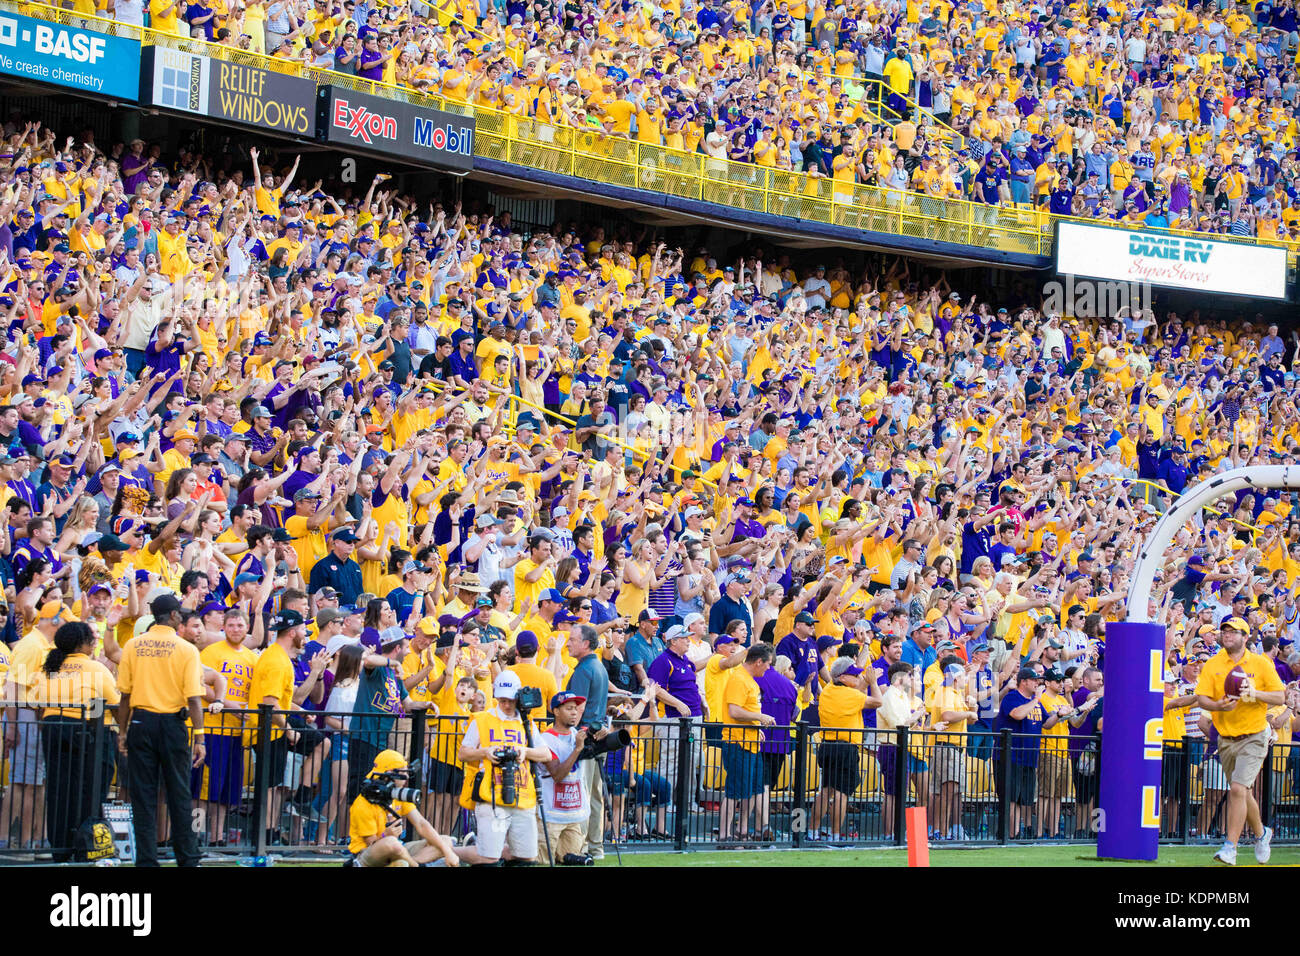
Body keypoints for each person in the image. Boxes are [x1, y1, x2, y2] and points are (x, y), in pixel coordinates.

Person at [115, 593, 206, 867]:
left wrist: (122, 732)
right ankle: (188, 858)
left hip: (141, 722)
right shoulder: (186, 649)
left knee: (142, 795)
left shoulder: (133, 645)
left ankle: (146, 860)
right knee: (179, 792)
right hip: (172, 724)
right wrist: (200, 737)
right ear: (175, 616)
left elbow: (125, 696)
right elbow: (193, 698)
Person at [1195, 617, 1286, 865]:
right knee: (1243, 792)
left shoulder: (1261, 663)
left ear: (1246, 637)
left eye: (1234, 631)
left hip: (1255, 735)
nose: (1227, 634)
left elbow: (1280, 697)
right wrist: (1217, 706)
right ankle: (1262, 833)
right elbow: (1202, 698)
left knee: (1236, 789)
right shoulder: (1213, 664)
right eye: (1225, 630)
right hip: (1225, 737)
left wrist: (1253, 693)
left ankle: (1230, 847)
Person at [31, 621, 118, 862]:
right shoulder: (95, 668)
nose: (94, 642)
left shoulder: (49, 668)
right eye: (91, 638)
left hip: (52, 729)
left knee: (59, 790)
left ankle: (60, 847)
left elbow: (36, 701)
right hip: (89, 731)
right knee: (92, 789)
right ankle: (87, 845)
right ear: (83, 643)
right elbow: (115, 700)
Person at [456, 671, 553, 865]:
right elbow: (463, 754)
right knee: (488, 857)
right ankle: (448, 851)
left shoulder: (527, 722)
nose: (507, 705)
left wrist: (524, 751)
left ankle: (447, 850)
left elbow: (546, 754)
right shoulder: (481, 719)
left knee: (526, 857)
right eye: (502, 700)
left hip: (522, 794)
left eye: (510, 700)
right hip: (490, 794)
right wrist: (485, 752)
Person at [345, 749, 461, 867]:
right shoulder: (363, 803)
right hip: (368, 852)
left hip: (398, 848)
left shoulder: (398, 794)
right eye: (403, 773)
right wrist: (385, 835)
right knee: (391, 843)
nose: (406, 777)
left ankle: (408, 863)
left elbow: (421, 823)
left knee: (446, 841)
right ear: (389, 774)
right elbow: (371, 843)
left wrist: (448, 853)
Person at [719, 643, 775, 847]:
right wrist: (760, 717)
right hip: (737, 742)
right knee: (735, 791)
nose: (768, 668)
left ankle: (742, 833)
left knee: (751, 790)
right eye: (768, 664)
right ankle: (725, 836)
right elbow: (734, 711)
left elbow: (743, 711)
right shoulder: (738, 679)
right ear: (758, 662)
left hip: (750, 742)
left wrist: (755, 725)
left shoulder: (748, 680)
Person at [563, 623, 609, 860]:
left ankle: (579, 847)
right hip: (597, 736)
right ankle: (596, 847)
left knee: (582, 795)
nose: (568, 643)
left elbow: (576, 709)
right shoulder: (598, 667)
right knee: (594, 796)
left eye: (572, 639)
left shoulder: (583, 670)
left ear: (586, 644)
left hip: (584, 739)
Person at [537, 691, 592, 864]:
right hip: (550, 814)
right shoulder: (545, 739)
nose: (574, 712)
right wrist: (577, 749)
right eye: (569, 708)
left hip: (573, 814)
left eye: (576, 708)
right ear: (556, 711)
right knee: (543, 861)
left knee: (570, 860)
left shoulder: (579, 735)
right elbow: (558, 775)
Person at [996, 668, 1047, 841]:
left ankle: (1015, 833)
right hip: (1011, 756)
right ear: (1023, 681)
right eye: (1034, 680)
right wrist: (1037, 699)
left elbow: (1047, 723)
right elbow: (1017, 714)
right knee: (1010, 797)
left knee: (1020, 799)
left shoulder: (1034, 701)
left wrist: (1062, 715)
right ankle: (1008, 834)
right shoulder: (1012, 697)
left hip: (1028, 758)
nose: (1037, 683)